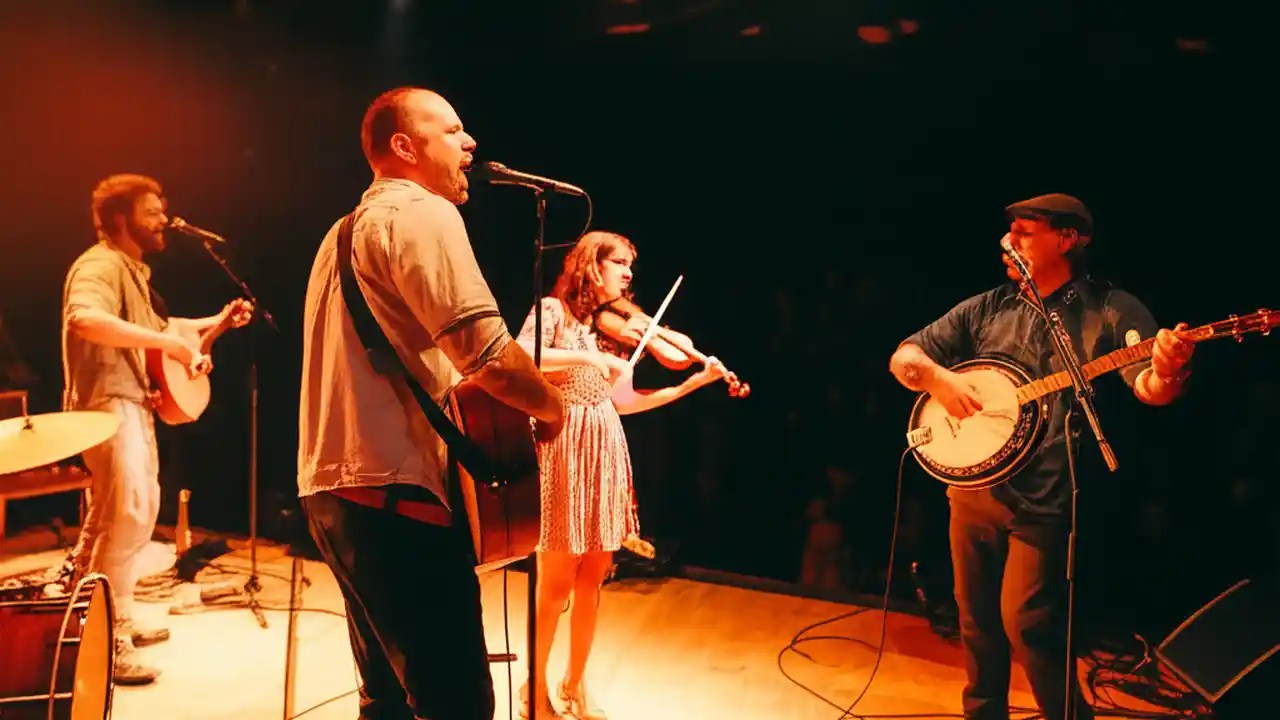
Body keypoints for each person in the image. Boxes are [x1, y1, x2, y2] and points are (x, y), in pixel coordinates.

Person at [297, 86, 566, 720]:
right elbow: (487, 355)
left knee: (386, 700)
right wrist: (554, 409)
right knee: (456, 703)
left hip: (334, 495)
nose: (470, 143)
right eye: (452, 131)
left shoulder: (339, 235)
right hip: (397, 500)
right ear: (404, 147)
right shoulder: (422, 213)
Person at [888, 193, 1194, 720]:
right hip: (973, 487)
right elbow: (905, 356)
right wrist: (940, 379)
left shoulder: (1113, 309)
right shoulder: (989, 307)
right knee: (975, 617)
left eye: (1025, 232)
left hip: (1048, 498)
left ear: (1068, 238)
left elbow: (1148, 386)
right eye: (1010, 232)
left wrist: (1168, 369)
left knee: (1029, 622)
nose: (1010, 241)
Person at [515, 230, 728, 719]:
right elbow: (522, 354)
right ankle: (535, 685)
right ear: (592, 265)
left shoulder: (606, 328)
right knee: (555, 582)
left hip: (605, 446)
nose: (629, 274)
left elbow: (626, 403)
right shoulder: (553, 313)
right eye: (620, 263)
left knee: (593, 576)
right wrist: (590, 356)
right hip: (564, 445)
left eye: (631, 265)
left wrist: (695, 381)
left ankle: (574, 683)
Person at [61, 173, 253, 684]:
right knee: (126, 516)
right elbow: (84, 318)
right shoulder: (100, 264)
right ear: (121, 219)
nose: (163, 218)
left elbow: (163, 334)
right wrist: (171, 346)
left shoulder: (134, 272)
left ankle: (93, 617)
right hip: (106, 402)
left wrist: (215, 325)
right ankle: (109, 634)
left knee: (123, 516)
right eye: (151, 211)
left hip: (130, 403)